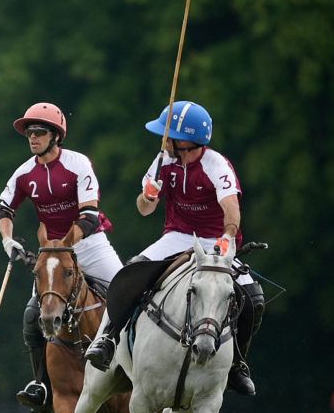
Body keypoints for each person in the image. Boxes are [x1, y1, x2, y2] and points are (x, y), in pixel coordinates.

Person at [84, 100, 263, 396]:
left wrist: (227, 237)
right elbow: (144, 210)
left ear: (185, 141)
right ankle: (108, 338)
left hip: (216, 239)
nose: (163, 141)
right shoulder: (162, 162)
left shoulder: (216, 165)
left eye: (168, 136)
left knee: (253, 299)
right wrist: (148, 195)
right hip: (178, 235)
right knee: (129, 273)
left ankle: (237, 363)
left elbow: (231, 209)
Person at [0, 103, 124, 413]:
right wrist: (8, 239)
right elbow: (3, 210)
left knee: (129, 295)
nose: (32, 137)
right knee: (31, 316)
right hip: (52, 254)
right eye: (29, 132)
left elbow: (90, 216)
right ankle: (41, 385)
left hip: (89, 245)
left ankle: (140, 369)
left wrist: (66, 244)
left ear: (56, 136)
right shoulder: (25, 172)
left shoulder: (78, 163)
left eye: (39, 131)